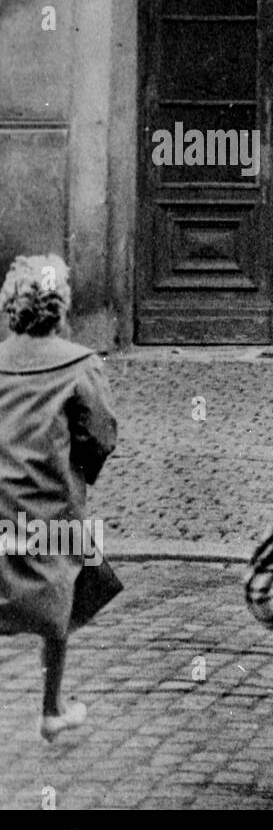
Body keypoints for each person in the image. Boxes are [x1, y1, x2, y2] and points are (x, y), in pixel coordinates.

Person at [0, 255, 119, 740]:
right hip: (52, 508)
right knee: (63, 592)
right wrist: (80, 472)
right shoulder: (80, 363)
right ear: (60, 307)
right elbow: (101, 434)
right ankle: (51, 707)